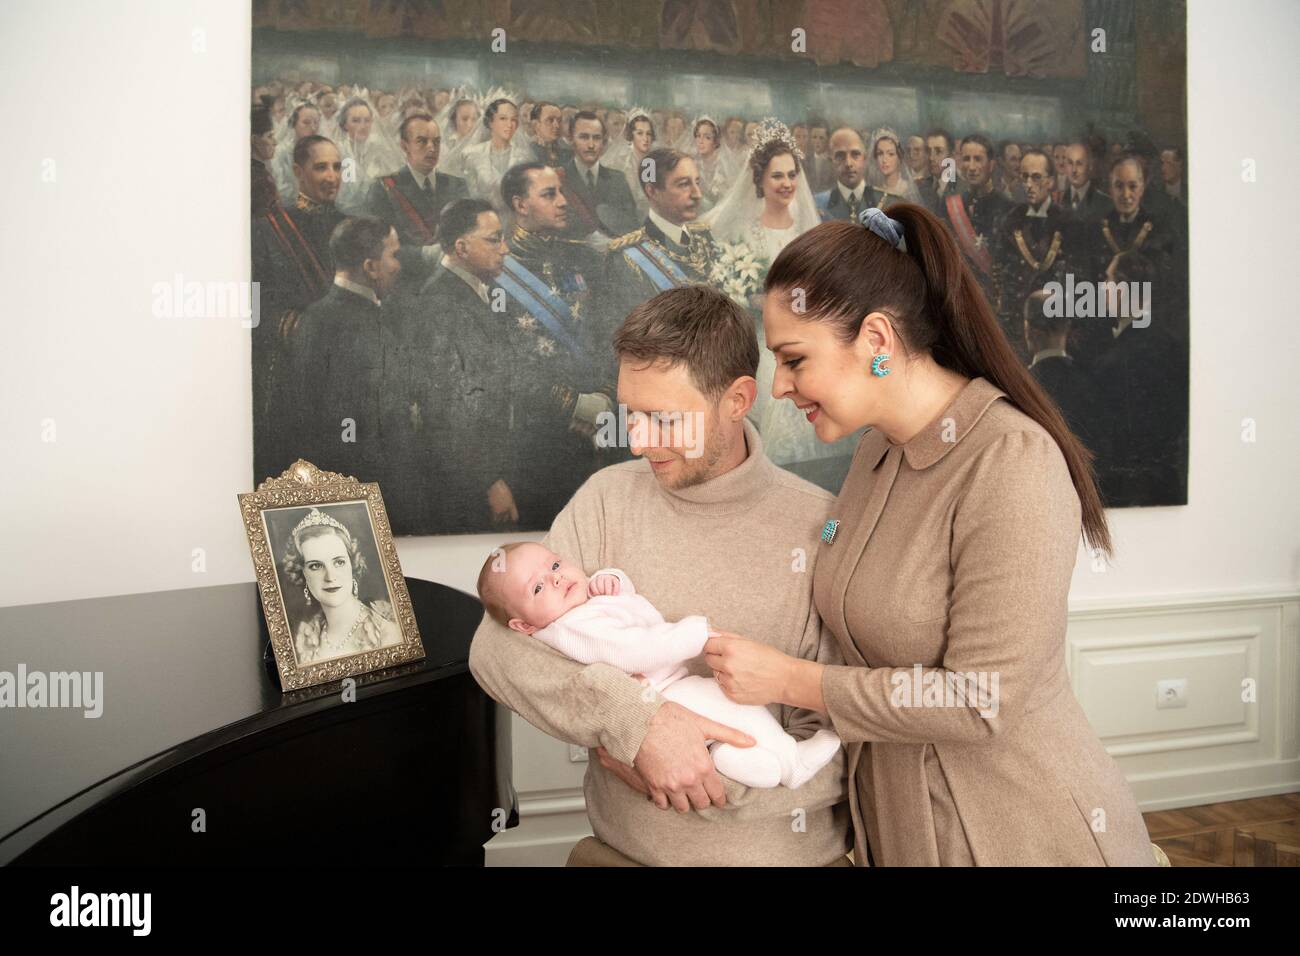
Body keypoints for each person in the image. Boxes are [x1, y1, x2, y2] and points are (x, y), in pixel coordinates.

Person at [697, 204, 1158, 866]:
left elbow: (980, 699)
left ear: (877, 341)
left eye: (794, 359)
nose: (780, 385)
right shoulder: (875, 454)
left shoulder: (1011, 461)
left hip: (1016, 836)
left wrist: (791, 680)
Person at [467, 285, 851, 867]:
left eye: (663, 419)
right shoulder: (606, 498)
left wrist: (683, 775)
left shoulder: (823, 529)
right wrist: (637, 726)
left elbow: (842, 741)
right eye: (630, 415)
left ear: (738, 399)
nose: (638, 441)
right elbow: (496, 649)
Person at [477, 544, 844, 790]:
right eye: (538, 588)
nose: (556, 577)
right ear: (524, 626)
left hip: (673, 693)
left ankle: (743, 759)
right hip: (667, 694)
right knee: (728, 698)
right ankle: (790, 761)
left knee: (724, 721)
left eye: (555, 565)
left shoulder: (580, 605)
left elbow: (629, 607)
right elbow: (634, 648)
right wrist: (696, 634)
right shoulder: (573, 628)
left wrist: (613, 581)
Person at [401, 198, 518, 531]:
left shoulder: (476, 290)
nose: (505, 249)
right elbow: (444, 407)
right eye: (494, 239)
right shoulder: (439, 303)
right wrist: (488, 480)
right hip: (468, 482)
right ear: (461, 247)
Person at [275, 216, 401, 484]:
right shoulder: (342, 322)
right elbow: (344, 427)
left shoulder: (321, 316)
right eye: (394, 255)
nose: (399, 266)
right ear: (370, 267)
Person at [282, 507, 402, 665]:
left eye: (339, 562)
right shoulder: (307, 638)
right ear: (302, 573)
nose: (330, 577)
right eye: (316, 566)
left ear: (352, 565)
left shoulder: (387, 634)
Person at [992, 148, 1079, 361]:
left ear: (1050, 181)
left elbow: (1076, 280)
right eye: (1025, 177)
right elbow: (1002, 275)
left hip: (1056, 327)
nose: (1029, 184)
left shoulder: (1069, 223)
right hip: (1018, 326)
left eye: (1036, 177)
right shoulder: (1010, 221)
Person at [365, 110, 468, 284]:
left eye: (436, 142)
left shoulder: (457, 185)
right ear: (405, 146)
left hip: (452, 281)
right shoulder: (383, 187)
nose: (432, 148)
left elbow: (469, 235)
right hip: (405, 282)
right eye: (422, 141)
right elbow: (376, 246)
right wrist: (424, 254)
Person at [559, 111, 638, 240]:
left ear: (603, 141)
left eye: (596, 138)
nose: (591, 145)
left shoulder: (618, 179)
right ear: (571, 139)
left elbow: (632, 228)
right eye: (584, 137)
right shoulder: (557, 178)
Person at [461, 97, 535, 216]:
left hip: (516, 222)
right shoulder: (471, 155)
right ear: (490, 122)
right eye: (503, 119)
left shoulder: (525, 157)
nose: (510, 125)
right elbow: (470, 196)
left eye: (514, 120)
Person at [814, 127, 869, 221]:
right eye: (840, 156)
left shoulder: (887, 202)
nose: (848, 163)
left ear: (865, 158)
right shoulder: (816, 204)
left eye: (855, 154)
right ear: (831, 160)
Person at [865, 127, 924, 209]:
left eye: (891, 154)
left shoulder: (907, 190)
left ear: (899, 157)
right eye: (880, 153)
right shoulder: (873, 190)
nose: (884, 160)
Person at [251, 96, 279, 218]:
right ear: (255, 140)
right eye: (270, 136)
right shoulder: (261, 180)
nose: (275, 142)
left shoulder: (260, 172)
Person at [529, 101, 572, 168]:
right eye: (550, 120)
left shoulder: (568, 154)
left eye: (559, 120)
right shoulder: (528, 153)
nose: (557, 125)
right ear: (536, 125)